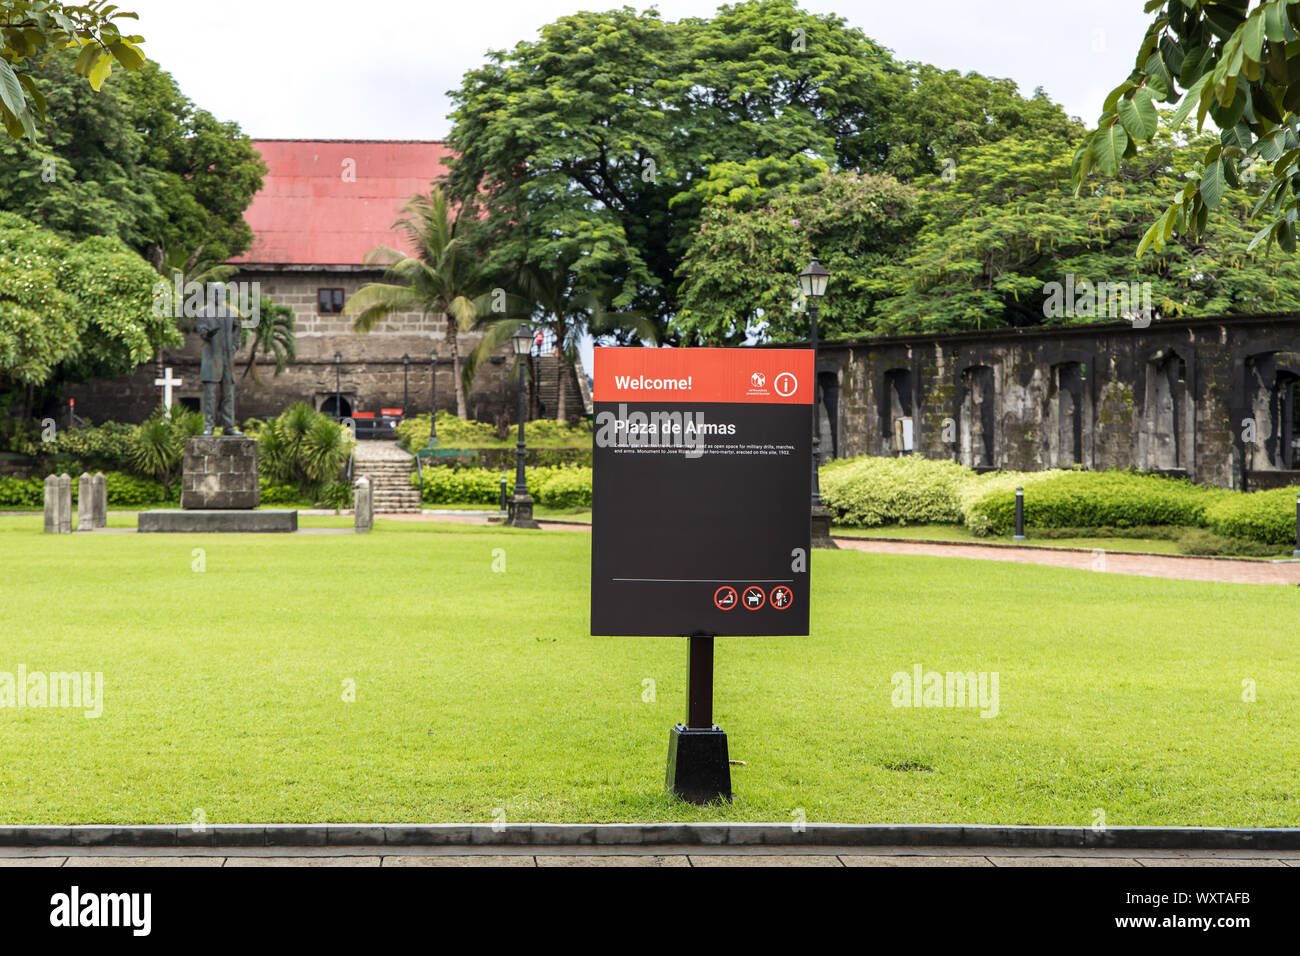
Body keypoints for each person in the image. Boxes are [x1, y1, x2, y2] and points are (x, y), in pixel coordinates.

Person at [195, 292, 242, 436]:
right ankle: (209, 426)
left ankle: (229, 426)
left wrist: (235, 346)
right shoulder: (203, 312)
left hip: (227, 358)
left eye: (221, 293)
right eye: (215, 293)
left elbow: (237, 328)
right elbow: (201, 331)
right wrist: (208, 334)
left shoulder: (231, 312)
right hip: (212, 358)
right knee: (210, 396)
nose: (218, 296)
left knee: (228, 394)